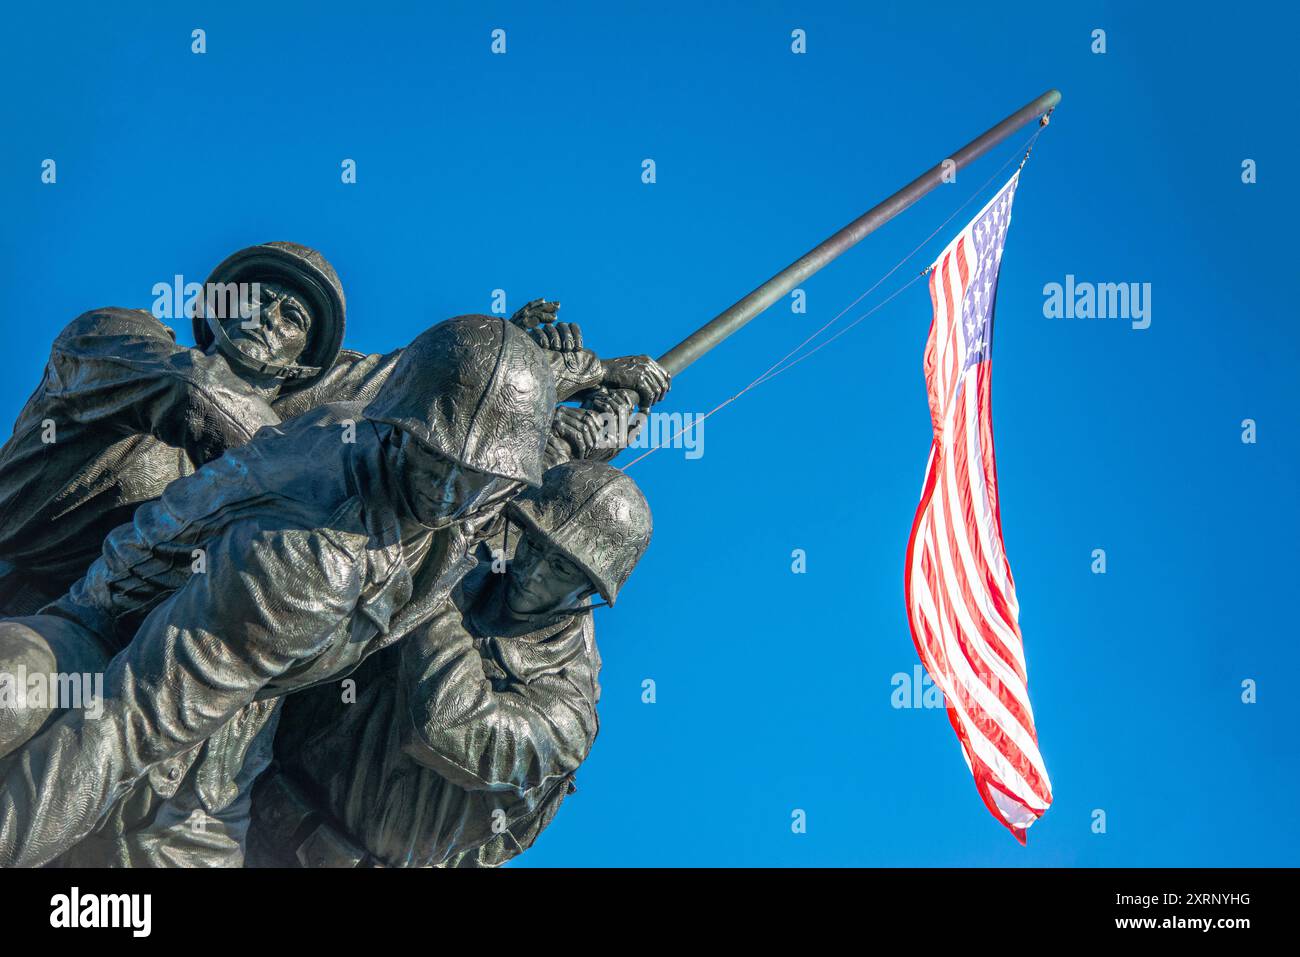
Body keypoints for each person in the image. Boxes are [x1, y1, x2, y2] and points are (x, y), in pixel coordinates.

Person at [0, 315, 555, 867]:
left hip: (228, 753)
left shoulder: (444, 501)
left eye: (480, 475)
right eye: (437, 460)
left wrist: (585, 385)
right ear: (397, 429)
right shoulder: (312, 551)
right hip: (106, 649)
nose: (452, 494)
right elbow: (127, 724)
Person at [247, 460, 651, 867]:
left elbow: (446, 725)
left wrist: (435, 587)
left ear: (590, 588)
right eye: (534, 544)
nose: (533, 570)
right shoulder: (472, 567)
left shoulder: (567, 711)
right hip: (252, 804)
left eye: (560, 567)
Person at [0, 242, 346, 616]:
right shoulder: (118, 334)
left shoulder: (248, 463)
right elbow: (193, 387)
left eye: (292, 317)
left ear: (303, 365)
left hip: (106, 634)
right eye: (257, 298)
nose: (267, 317)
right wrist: (306, 505)